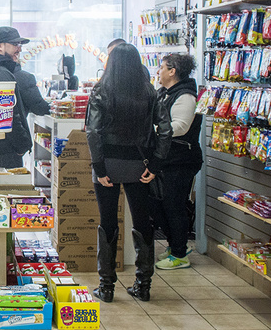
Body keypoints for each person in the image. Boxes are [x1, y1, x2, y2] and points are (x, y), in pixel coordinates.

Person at [85, 43, 160, 302]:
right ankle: (143, 284)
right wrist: (155, 165)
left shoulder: (101, 91)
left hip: (108, 163)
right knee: (142, 221)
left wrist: (99, 167)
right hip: (140, 165)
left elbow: (93, 132)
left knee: (108, 221)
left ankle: (106, 287)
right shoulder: (149, 92)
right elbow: (166, 130)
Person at [151, 52, 204, 270]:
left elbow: (180, 126)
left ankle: (180, 254)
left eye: (162, 68)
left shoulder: (185, 96)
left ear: (173, 71)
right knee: (162, 205)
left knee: (174, 205)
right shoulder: (165, 93)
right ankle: (175, 246)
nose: (158, 72)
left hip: (181, 160)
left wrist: (153, 130)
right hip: (167, 160)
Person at [0, 26, 51, 168]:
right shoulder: (1, 73)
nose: (19, 49)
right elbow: (10, 116)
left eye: (19, 45)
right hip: (3, 149)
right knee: (7, 188)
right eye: (15, 44)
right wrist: (22, 145)